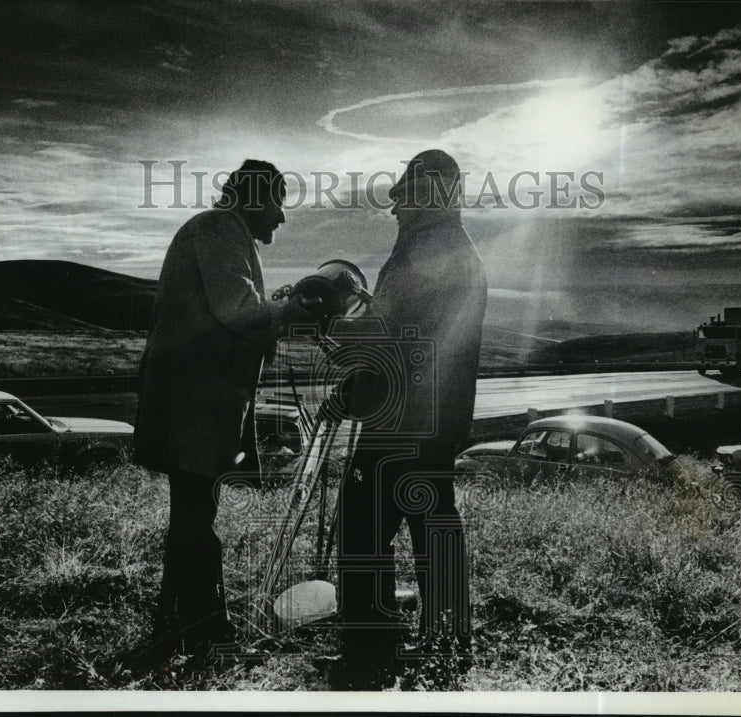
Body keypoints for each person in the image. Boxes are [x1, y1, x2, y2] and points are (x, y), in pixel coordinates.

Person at [134, 159, 320, 661]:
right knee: (197, 519)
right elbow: (236, 309)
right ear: (255, 198)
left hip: (195, 398)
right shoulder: (218, 228)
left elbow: (233, 308)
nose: (281, 217)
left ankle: (180, 626)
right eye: (278, 202)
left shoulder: (221, 231)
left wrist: (280, 309)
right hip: (193, 401)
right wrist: (292, 310)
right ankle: (207, 635)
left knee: (193, 516)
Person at [333, 149, 488, 684]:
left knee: (362, 525)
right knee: (431, 520)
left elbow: (389, 333)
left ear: (428, 197)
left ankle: (370, 644)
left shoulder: (427, 252)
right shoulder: (450, 247)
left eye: (404, 196)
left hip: (403, 418)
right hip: (431, 415)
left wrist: (332, 325)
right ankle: (447, 639)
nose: (396, 207)